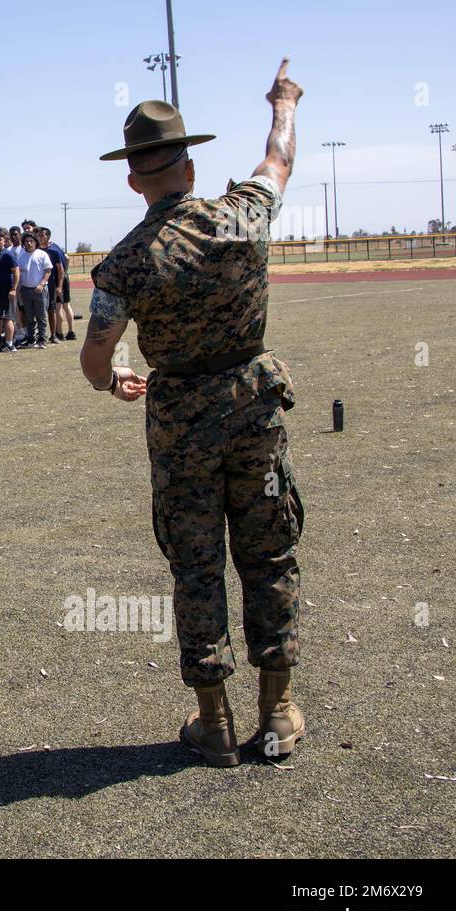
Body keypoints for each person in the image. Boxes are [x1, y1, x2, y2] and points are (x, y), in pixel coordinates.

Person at [81, 61, 307, 768]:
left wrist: (117, 378)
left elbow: (96, 358)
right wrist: (283, 104)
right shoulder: (244, 212)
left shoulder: (125, 265)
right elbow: (279, 158)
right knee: (269, 552)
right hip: (253, 409)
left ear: (132, 178)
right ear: (189, 162)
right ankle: (276, 712)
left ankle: (212, 722)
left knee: (196, 565)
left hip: (180, 423)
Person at [15, 231, 52, 349]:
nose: (29, 243)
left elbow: (48, 271)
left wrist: (41, 284)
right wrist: (18, 289)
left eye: (31, 241)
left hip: (40, 289)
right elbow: (19, 274)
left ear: (35, 242)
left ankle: (43, 339)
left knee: (41, 316)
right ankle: (31, 338)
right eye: (26, 241)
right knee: (29, 316)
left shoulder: (42, 254)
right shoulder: (21, 257)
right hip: (26, 290)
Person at [38, 227, 73, 342]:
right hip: (57, 279)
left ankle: (60, 333)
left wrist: (60, 285)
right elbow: (66, 258)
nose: (40, 237)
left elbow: (61, 269)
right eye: (39, 235)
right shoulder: (45, 248)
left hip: (57, 280)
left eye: (42, 235)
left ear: (47, 237)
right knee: (62, 306)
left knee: (59, 307)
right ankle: (65, 332)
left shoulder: (53, 250)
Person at [0, 228, 19, 352]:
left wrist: (14, 289)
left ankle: (10, 343)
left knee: (8, 317)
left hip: (6, 289)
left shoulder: (7, 254)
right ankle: (0, 341)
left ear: (4, 241)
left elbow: (16, 271)